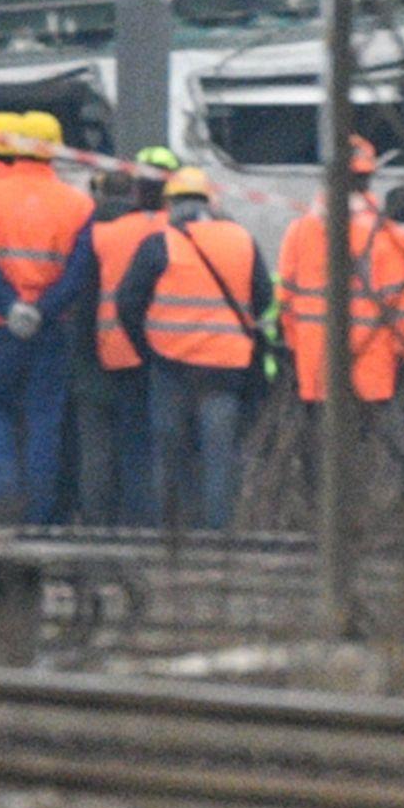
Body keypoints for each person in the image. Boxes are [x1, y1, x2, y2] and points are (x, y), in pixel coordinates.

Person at [0, 114, 95, 524]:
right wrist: (43, 310)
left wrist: (9, 307)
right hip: (52, 329)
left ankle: (4, 494)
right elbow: (78, 271)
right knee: (43, 416)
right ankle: (39, 510)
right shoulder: (78, 204)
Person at [115, 164, 265, 534]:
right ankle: (219, 534)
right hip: (226, 366)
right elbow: (263, 295)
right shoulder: (242, 239)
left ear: (169, 204)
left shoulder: (159, 243)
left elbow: (127, 301)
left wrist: (146, 346)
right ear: (210, 201)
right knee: (219, 456)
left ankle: (171, 532)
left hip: (171, 364)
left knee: (169, 452)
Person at [277, 143, 404, 461]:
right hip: (371, 366)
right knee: (367, 456)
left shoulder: (299, 230)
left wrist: (294, 346)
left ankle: (317, 510)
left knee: (320, 460)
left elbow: (286, 300)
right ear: (368, 179)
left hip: (317, 365)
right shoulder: (389, 236)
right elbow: (401, 305)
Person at [85, 150, 178, 527]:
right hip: (168, 352)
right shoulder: (176, 233)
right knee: (159, 440)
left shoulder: (103, 233)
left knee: (123, 441)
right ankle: (155, 519)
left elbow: (91, 293)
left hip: (113, 349)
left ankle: (118, 517)